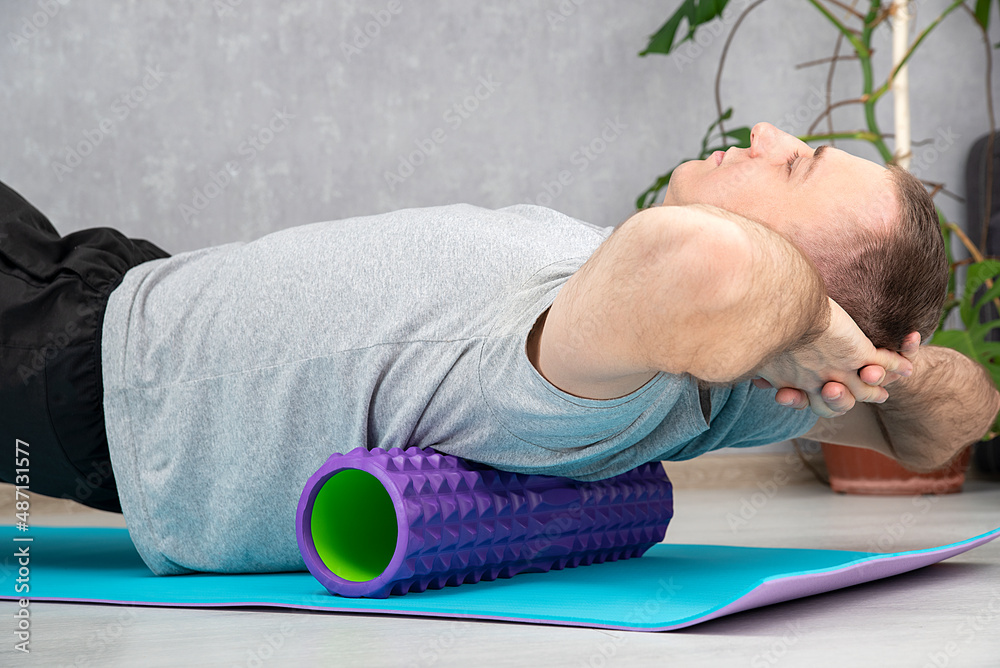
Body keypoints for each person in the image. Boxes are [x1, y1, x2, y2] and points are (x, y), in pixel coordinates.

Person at [1, 122, 996, 576]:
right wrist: (861, 356)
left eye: (799, 164)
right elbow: (956, 409)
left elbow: (697, 260)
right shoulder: (751, 383)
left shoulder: (613, 374)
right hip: (123, 292)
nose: (771, 133)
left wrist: (805, 314)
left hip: (79, 371)